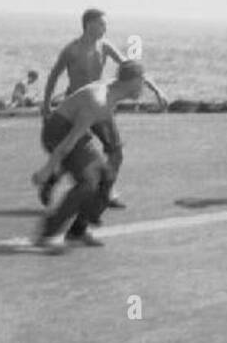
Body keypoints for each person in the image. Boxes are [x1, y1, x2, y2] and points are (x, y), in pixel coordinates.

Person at [39, 9, 167, 207]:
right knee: (74, 151)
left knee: (116, 151)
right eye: (101, 24)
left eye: (105, 24)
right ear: (89, 24)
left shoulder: (105, 46)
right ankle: (51, 181)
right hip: (77, 108)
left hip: (100, 105)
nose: (105, 28)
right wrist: (46, 105)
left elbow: (132, 69)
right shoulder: (71, 50)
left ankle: (105, 193)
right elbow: (53, 76)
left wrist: (157, 90)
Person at [31, 61, 147, 251]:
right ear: (131, 82)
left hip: (74, 133)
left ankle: (77, 231)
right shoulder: (98, 102)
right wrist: (48, 169)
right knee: (87, 182)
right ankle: (47, 234)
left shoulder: (116, 86)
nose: (143, 87)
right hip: (57, 133)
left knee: (106, 176)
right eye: (141, 83)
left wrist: (158, 93)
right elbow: (68, 142)